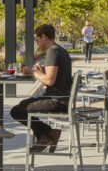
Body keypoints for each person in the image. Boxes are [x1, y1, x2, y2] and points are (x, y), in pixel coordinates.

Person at [11, 23, 73, 152]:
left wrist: (32, 72)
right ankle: (46, 135)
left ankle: (49, 134)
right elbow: (56, 78)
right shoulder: (60, 50)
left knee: (17, 111)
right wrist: (43, 71)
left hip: (56, 101)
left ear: (44, 37)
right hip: (62, 99)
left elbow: (50, 81)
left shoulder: (52, 52)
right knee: (24, 104)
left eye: (37, 39)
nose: (37, 43)